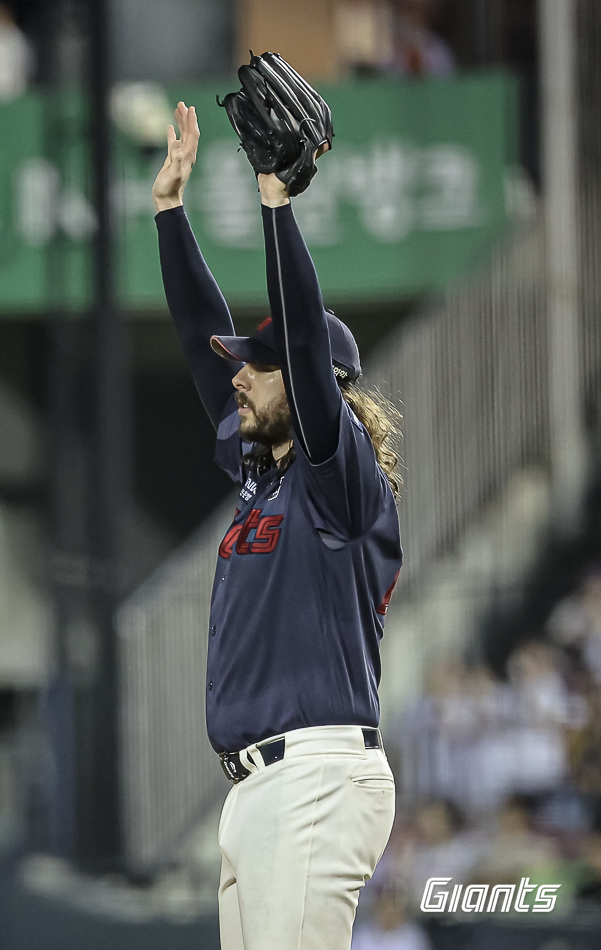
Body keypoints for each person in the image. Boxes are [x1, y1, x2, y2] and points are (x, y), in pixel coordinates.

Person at [152, 101, 403, 950]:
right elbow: (199, 349)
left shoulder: (337, 480)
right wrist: (169, 216)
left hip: (317, 779)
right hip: (260, 791)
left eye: (259, 368)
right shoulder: (268, 479)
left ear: (310, 380)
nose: (241, 378)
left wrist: (275, 203)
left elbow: (297, 338)